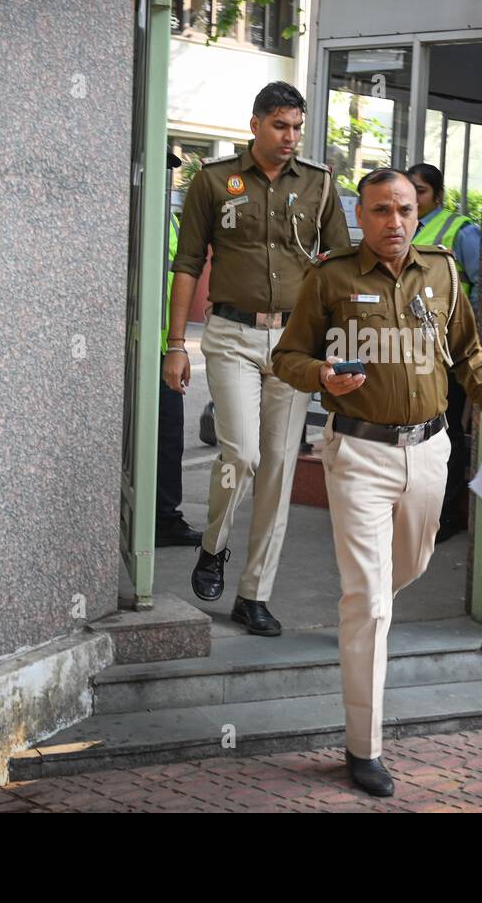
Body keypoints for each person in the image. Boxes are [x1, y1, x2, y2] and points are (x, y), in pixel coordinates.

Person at [271, 167, 482, 796]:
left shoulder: (440, 271)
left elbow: (468, 352)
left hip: (430, 451)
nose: (395, 222)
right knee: (369, 602)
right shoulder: (331, 276)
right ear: (362, 214)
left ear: (420, 212)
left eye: (405, 209)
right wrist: (322, 377)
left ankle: (369, 605)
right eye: (382, 210)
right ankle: (365, 747)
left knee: (405, 567)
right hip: (358, 454)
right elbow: (286, 357)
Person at [163, 82, 351, 636]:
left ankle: (255, 593)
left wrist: (338, 347)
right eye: (279, 126)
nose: (290, 137)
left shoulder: (318, 186)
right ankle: (213, 545)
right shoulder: (215, 180)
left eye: (297, 127)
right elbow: (188, 263)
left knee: (278, 468)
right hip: (230, 335)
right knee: (241, 455)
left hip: (293, 344)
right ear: (255, 125)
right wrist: (176, 345)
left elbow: (339, 267)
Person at [406, 163, 482, 543]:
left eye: (419, 191)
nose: (412, 199)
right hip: (407, 353)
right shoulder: (400, 227)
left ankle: (446, 515)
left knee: (444, 436)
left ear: (436, 194)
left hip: (448, 354)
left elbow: (480, 286)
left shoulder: (461, 230)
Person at [156, 179, 202, 547]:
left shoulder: (170, 220)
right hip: (138, 349)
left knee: (169, 437)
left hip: (163, 348)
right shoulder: (134, 213)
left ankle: (163, 519)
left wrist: (178, 345)